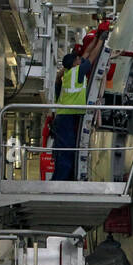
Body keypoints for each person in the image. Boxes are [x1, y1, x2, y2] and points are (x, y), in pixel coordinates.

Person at [51, 51, 92, 181]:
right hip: (66, 118)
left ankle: (61, 180)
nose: (81, 60)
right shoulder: (77, 73)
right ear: (75, 63)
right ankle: (59, 183)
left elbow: (85, 58)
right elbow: (91, 59)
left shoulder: (67, 77)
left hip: (63, 118)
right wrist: (101, 39)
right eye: (79, 59)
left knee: (63, 152)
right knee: (67, 152)